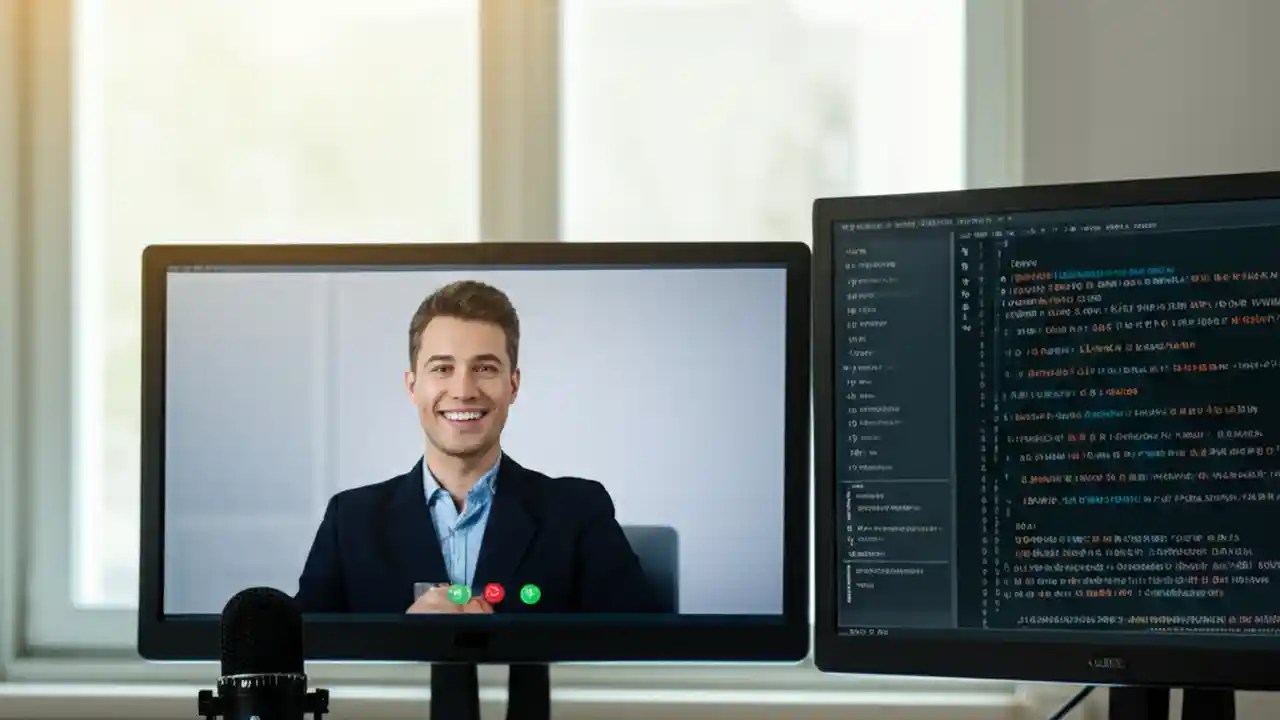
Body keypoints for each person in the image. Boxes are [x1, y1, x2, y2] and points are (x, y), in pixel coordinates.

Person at [295, 280, 660, 614]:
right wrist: (402, 643)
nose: (463, 390)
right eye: (442, 369)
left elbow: (643, 653)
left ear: (513, 385)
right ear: (412, 386)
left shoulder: (578, 513)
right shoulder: (351, 521)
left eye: (484, 368)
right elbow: (299, 655)